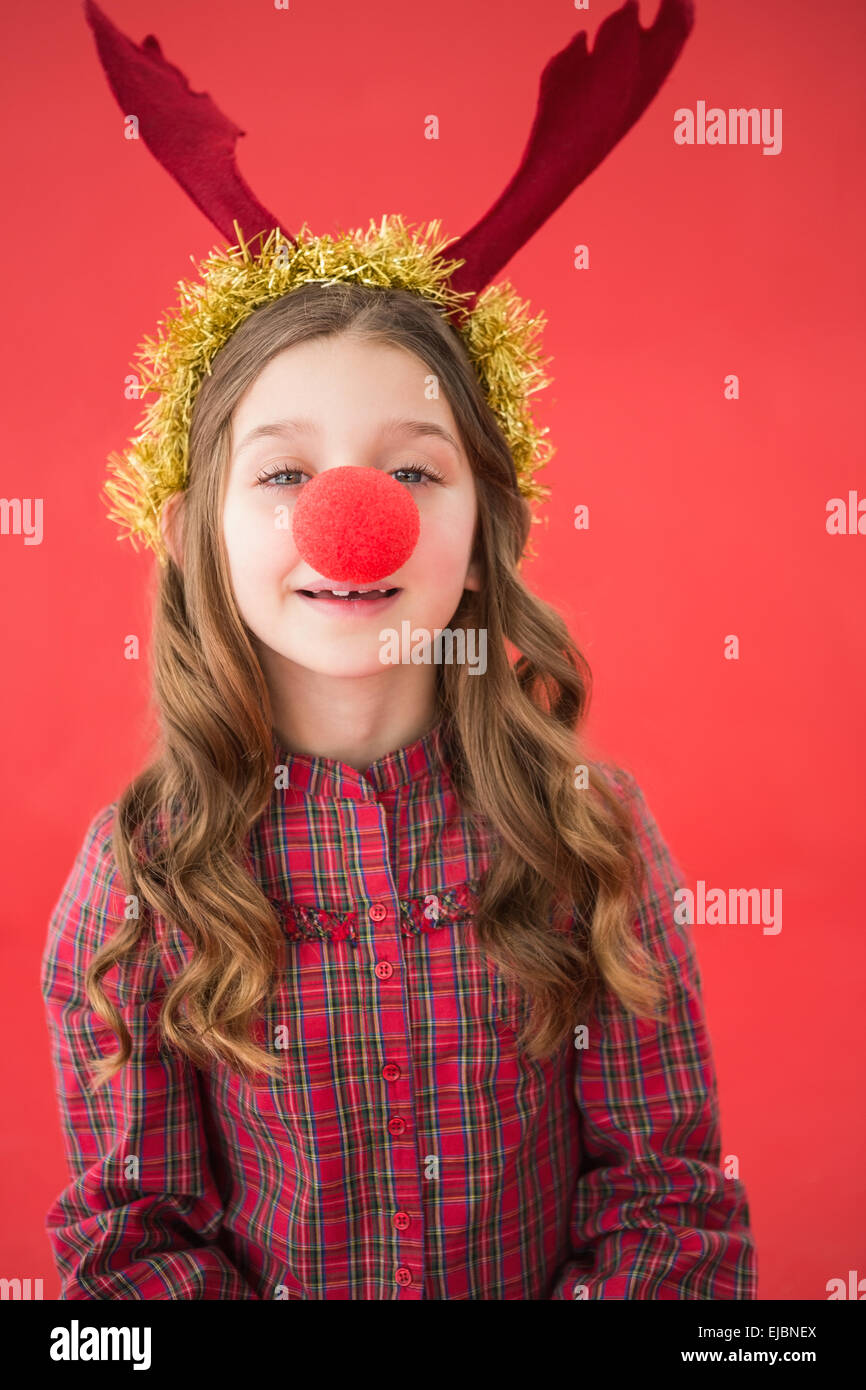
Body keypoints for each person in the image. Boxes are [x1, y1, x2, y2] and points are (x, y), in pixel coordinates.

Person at [42, 0, 756, 1300]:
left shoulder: (588, 837)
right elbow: (126, 1253)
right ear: (191, 530)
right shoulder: (139, 877)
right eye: (285, 472)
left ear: (482, 534)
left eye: (414, 470)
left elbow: (668, 1202)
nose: (350, 519)